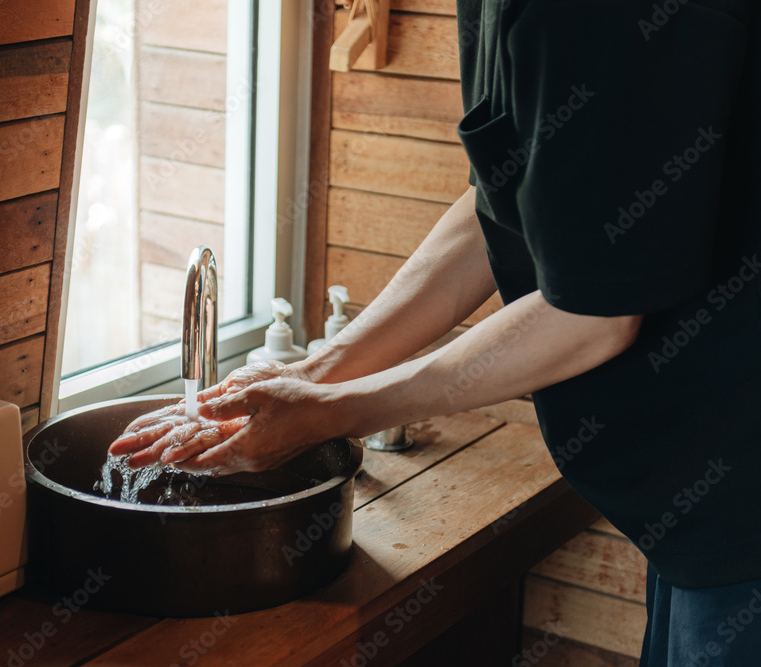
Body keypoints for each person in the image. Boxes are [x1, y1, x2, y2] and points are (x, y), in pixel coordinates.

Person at [111, 1, 761, 664]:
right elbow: (501, 201)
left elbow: (594, 314)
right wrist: (312, 371)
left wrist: (332, 410)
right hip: (691, 504)